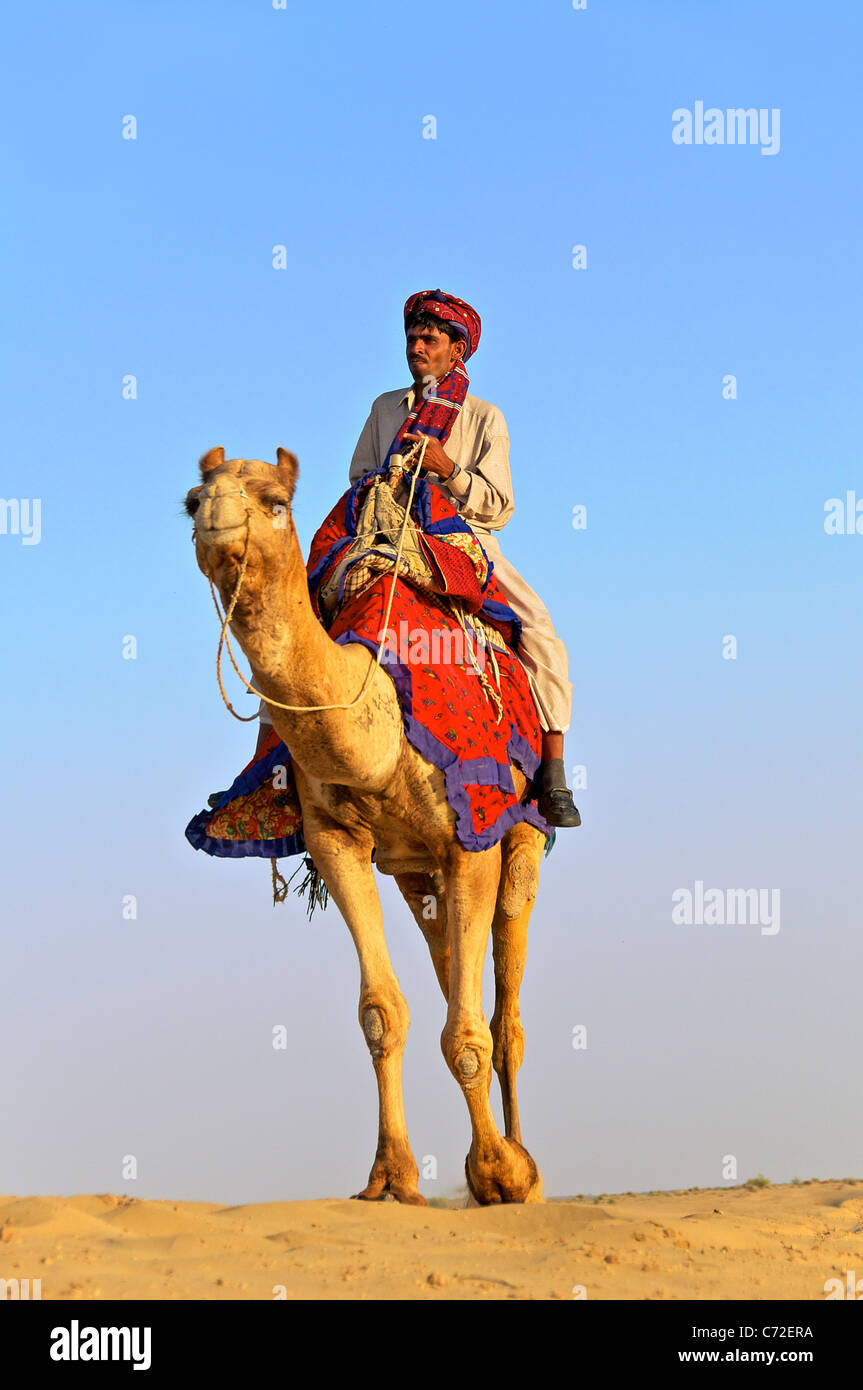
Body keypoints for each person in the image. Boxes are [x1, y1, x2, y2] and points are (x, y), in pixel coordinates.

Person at [341, 288, 581, 828]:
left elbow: (499, 506)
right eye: (412, 338)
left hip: (465, 540)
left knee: (539, 626)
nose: (417, 347)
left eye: (429, 338)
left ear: (457, 350)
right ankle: (275, 772)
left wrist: (447, 470)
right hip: (389, 531)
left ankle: (556, 773)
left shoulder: (484, 418)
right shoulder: (385, 410)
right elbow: (357, 476)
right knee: (301, 606)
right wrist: (391, 484)